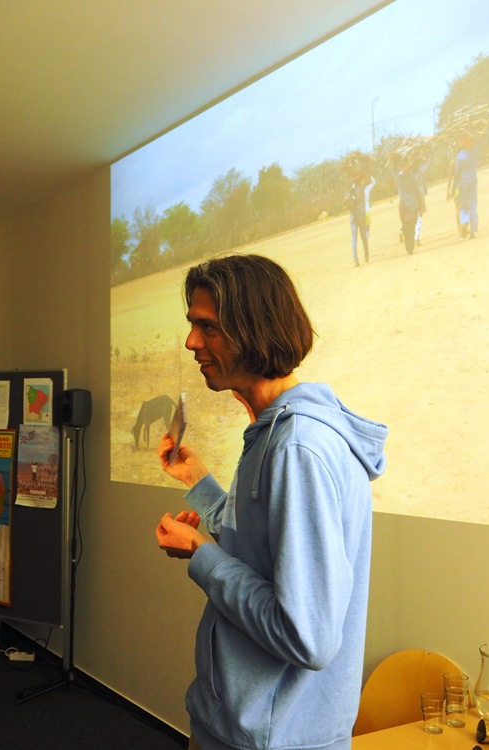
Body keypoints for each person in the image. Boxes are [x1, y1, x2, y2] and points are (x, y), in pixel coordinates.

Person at [156, 254, 388, 750]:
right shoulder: (274, 433)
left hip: (273, 739)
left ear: (253, 331)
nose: (191, 342)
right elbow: (258, 544)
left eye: (208, 327)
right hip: (244, 729)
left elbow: (307, 637)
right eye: (193, 325)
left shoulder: (298, 447)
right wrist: (197, 480)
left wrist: (202, 555)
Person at [447, 134, 478, 238]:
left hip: (458, 188)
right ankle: (470, 229)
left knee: (458, 208)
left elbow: (451, 178)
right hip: (469, 183)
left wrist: (449, 190)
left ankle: (460, 228)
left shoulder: (453, 162)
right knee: (470, 206)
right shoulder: (469, 155)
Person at [347, 171, 374, 267]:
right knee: (363, 238)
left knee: (354, 239)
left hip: (352, 216)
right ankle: (366, 256)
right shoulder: (362, 189)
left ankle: (355, 260)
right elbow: (371, 182)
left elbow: (346, 201)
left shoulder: (349, 190)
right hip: (361, 215)